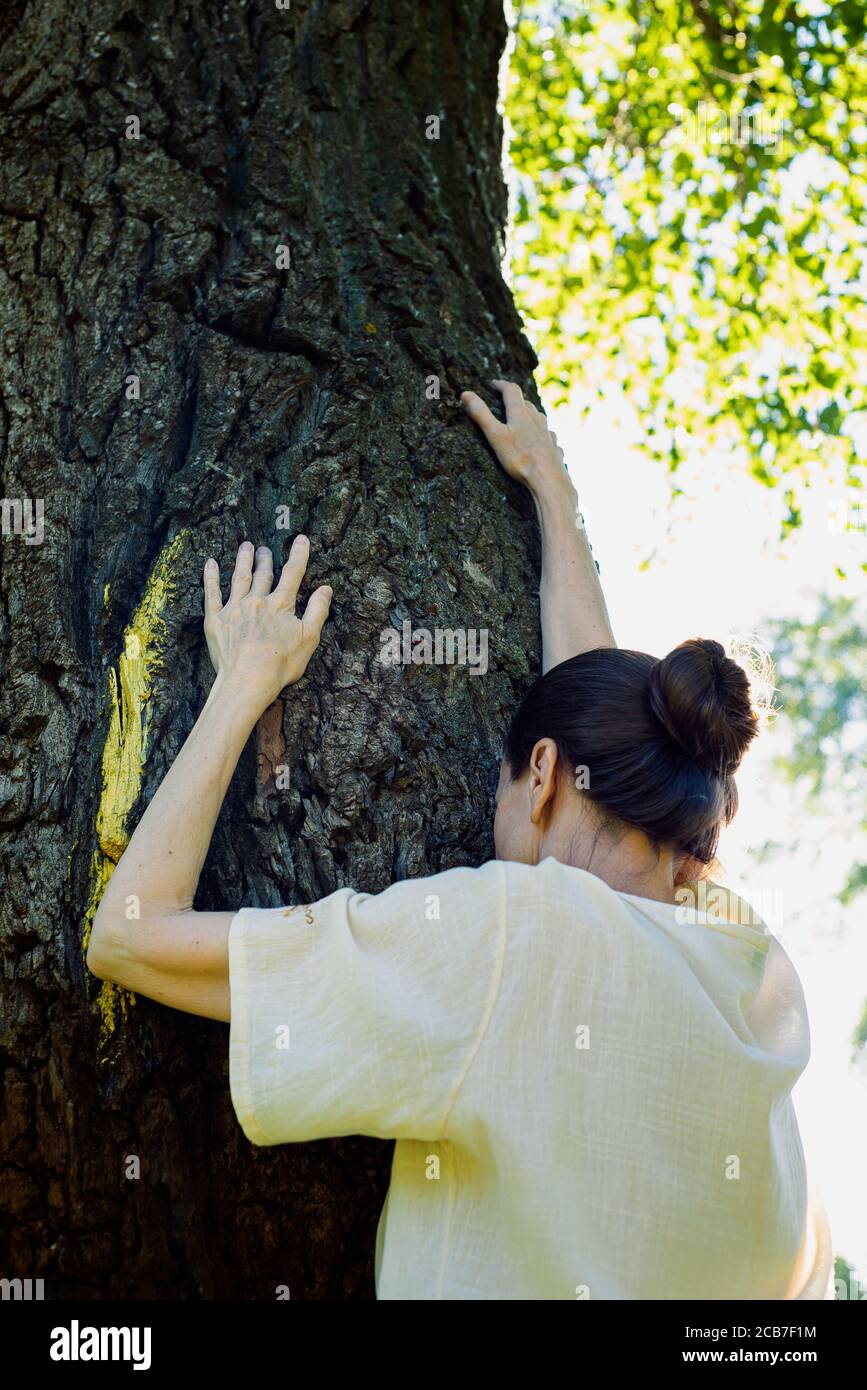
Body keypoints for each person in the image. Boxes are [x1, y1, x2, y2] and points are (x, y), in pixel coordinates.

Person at [86, 380, 832, 1301]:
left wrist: (244, 680)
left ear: (544, 772)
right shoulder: (746, 972)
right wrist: (552, 498)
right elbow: (594, 732)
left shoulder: (510, 939)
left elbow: (128, 935)